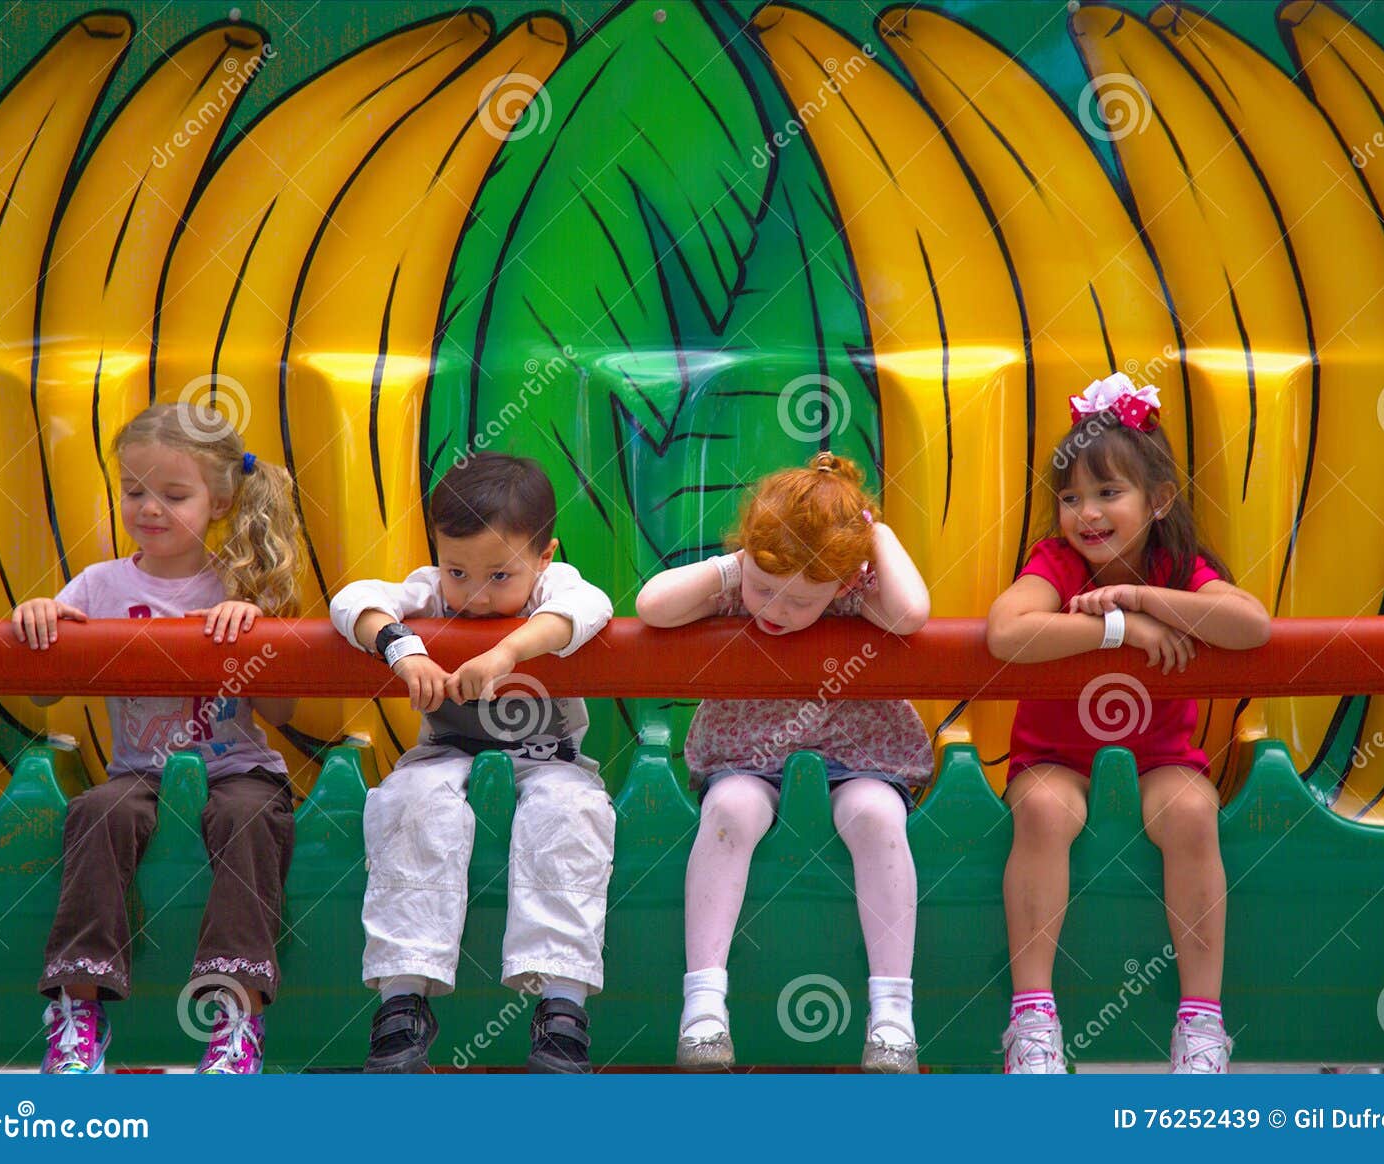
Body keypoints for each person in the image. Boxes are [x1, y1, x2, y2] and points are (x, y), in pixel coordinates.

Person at [985, 374, 1271, 1073]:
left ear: (1160, 499)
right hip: (1055, 757)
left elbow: (1251, 624)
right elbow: (1005, 633)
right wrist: (1119, 627)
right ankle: (1032, 1022)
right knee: (1046, 814)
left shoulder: (1176, 567)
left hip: (1162, 758)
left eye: (1108, 494)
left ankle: (1201, 1023)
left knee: (1192, 817)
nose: (1087, 514)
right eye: (1072, 498)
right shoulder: (1057, 564)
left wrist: (1148, 598)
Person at [14, 402, 303, 1075]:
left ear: (220, 501)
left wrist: (255, 628)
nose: (148, 508)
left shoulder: (239, 587)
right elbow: (42, 693)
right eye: (133, 490)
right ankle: (77, 1010)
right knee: (96, 812)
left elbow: (284, 711)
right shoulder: (100, 585)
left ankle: (237, 1019)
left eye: (173, 495)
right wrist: (41, 619)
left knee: (247, 817)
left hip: (237, 771)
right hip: (139, 771)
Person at [636, 452, 932, 1072]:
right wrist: (735, 570)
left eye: (803, 601)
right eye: (767, 589)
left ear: (845, 582)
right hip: (748, 755)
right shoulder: (743, 585)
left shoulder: (857, 598)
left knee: (877, 816)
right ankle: (704, 1007)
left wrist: (874, 535)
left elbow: (910, 614)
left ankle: (892, 1016)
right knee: (730, 810)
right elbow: (652, 605)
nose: (776, 609)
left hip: (860, 755)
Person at [329, 452, 615, 1073]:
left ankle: (561, 1007)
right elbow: (353, 599)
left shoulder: (554, 586)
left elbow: (588, 606)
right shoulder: (430, 592)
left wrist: (506, 652)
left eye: (498, 576)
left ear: (543, 557)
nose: (475, 595)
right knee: (409, 803)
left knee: (572, 814)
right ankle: (402, 1001)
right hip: (446, 752)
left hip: (547, 757)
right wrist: (403, 650)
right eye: (458, 569)